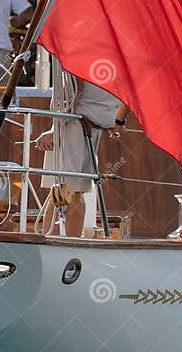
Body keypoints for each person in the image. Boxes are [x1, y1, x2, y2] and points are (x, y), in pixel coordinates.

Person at [35, 75, 127, 238]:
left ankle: (54, 242)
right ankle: (70, 242)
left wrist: (55, 131)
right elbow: (129, 94)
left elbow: (72, 95)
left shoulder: (82, 61)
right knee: (74, 192)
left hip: (74, 124)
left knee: (62, 190)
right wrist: (119, 121)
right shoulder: (119, 64)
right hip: (92, 126)